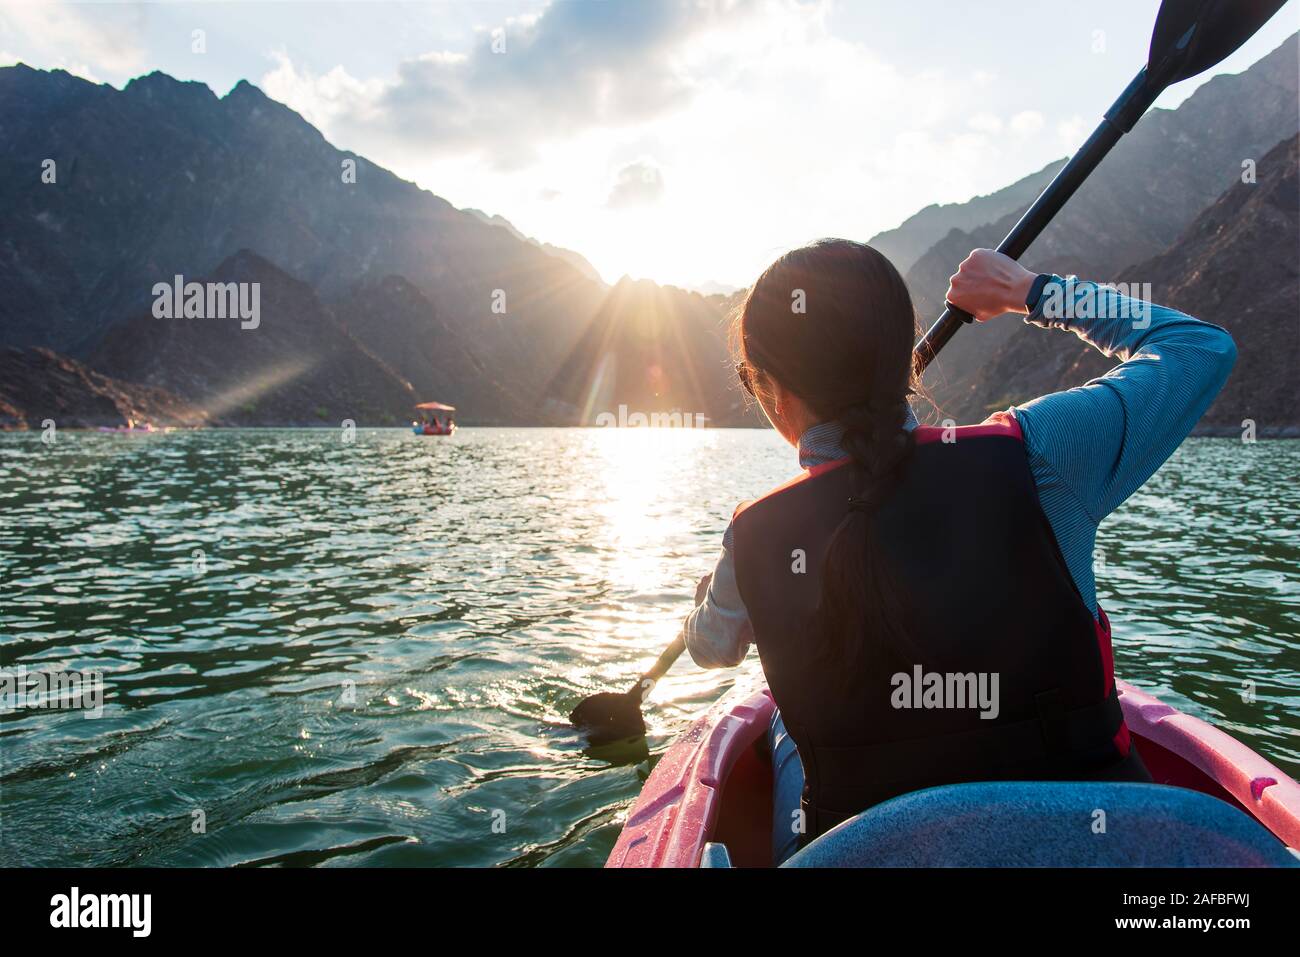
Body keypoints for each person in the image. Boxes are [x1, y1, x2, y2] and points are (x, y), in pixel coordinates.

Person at [681, 239, 1236, 863]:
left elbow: (709, 648)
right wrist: (1031, 291)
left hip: (864, 853)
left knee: (781, 718)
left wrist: (713, 595)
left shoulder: (754, 534)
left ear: (769, 389)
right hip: (1099, 846)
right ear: (905, 360)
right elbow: (1200, 347)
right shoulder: (1040, 452)